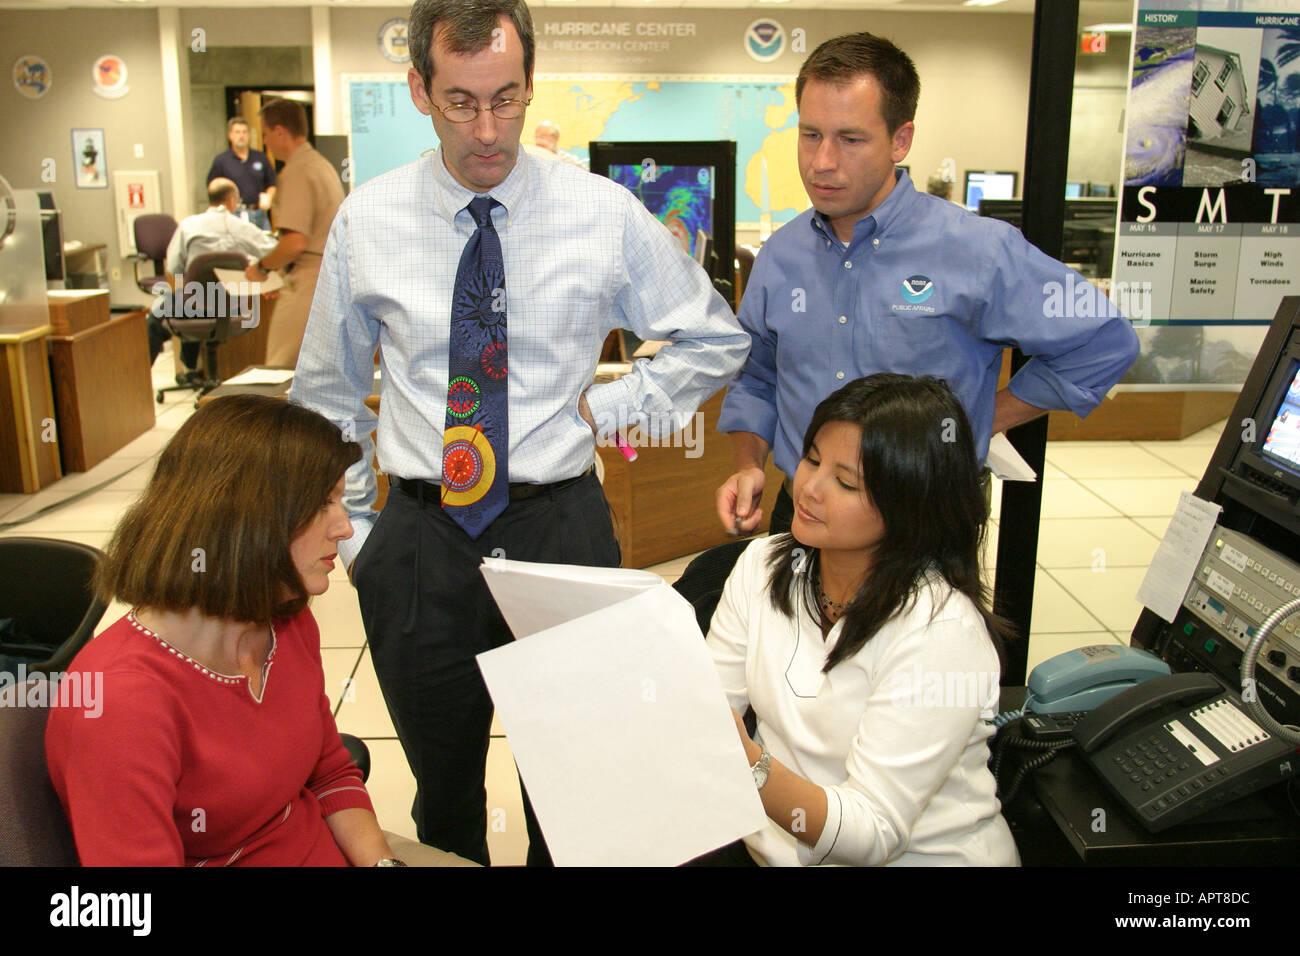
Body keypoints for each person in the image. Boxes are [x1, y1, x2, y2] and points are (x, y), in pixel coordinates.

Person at [289, 0, 747, 866]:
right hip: (420, 537)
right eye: (461, 101)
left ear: (532, 84)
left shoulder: (600, 213)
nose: (488, 129)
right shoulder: (369, 222)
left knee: (573, 792)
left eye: (507, 98)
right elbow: (325, 397)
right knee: (443, 792)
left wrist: (612, 409)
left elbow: (715, 337)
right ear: (419, 88)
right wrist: (364, 542)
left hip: (558, 528)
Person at [716, 32, 1141, 536]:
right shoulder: (780, 256)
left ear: (901, 140)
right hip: (803, 515)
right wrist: (749, 463)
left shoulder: (978, 249)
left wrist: (979, 422)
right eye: (811, 135)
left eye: (850, 139)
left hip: (924, 521)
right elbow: (757, 377)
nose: (821, 162)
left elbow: (1104, 341)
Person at [44, 395, 472, 867]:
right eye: (322, 504)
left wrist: (382, 865)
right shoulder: (120, 703)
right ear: (246, 520)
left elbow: (329, 771)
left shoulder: (285, 620)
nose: (346, 527)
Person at [704, 374, 1018, 866]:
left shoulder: (941, 634)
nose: (809, 488)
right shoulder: (764, 565)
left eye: (846, 482)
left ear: (909, 505)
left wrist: (747, 763)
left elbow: (871, 833)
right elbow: (707, 705)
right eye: (811, 458)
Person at [243, 98, 345, 369]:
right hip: (327, 277)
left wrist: (263, 267)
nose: (266, 143)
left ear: (279, 131)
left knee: (280, 368)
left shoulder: (296, 172)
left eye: (265, 134)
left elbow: (295, 242)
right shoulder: (321, 165)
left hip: (308, 281)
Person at [147, 177, 277, 375]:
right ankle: (196, 364)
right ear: (232, 200)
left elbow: (174, 268)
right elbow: (273, 252)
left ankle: (180, 367)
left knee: (160, 312)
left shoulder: (188, 226)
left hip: (193, 303)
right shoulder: (241, 227)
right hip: (235, 305)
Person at [206, 116, 276, 229]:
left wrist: (268, 198)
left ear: (248, 135)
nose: (241, 136)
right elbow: (212, 187)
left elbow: (272, 183)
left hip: (259, 214)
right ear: (230, 135)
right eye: (237, 132)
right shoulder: (222, 160)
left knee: (267, 244)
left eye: (244, 132)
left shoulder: (260, 158)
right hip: (234, 214)